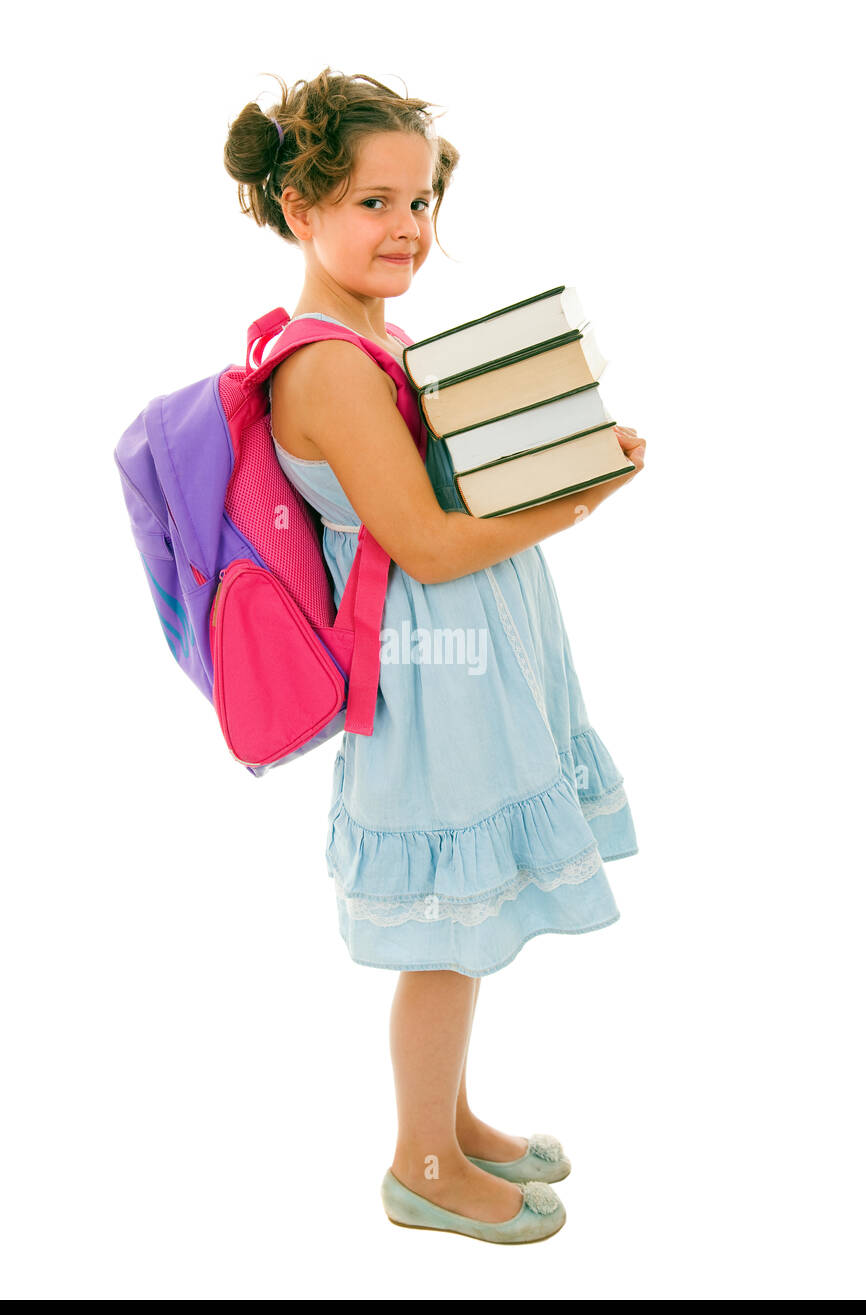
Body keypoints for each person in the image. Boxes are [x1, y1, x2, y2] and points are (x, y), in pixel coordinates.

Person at [223, 67, 646, 1243]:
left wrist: (558, 443)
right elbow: (421, 542)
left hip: (464, 651)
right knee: (447, 932)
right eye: (370, 202)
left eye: (419, 201)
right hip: (426, 671)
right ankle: (418, 1163)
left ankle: (449, 1121)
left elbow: (447, 487)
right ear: (298, 210)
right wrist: (579, 499)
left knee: (466, 931)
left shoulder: (377, 334)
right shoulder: (326, 364)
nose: (406, 225)